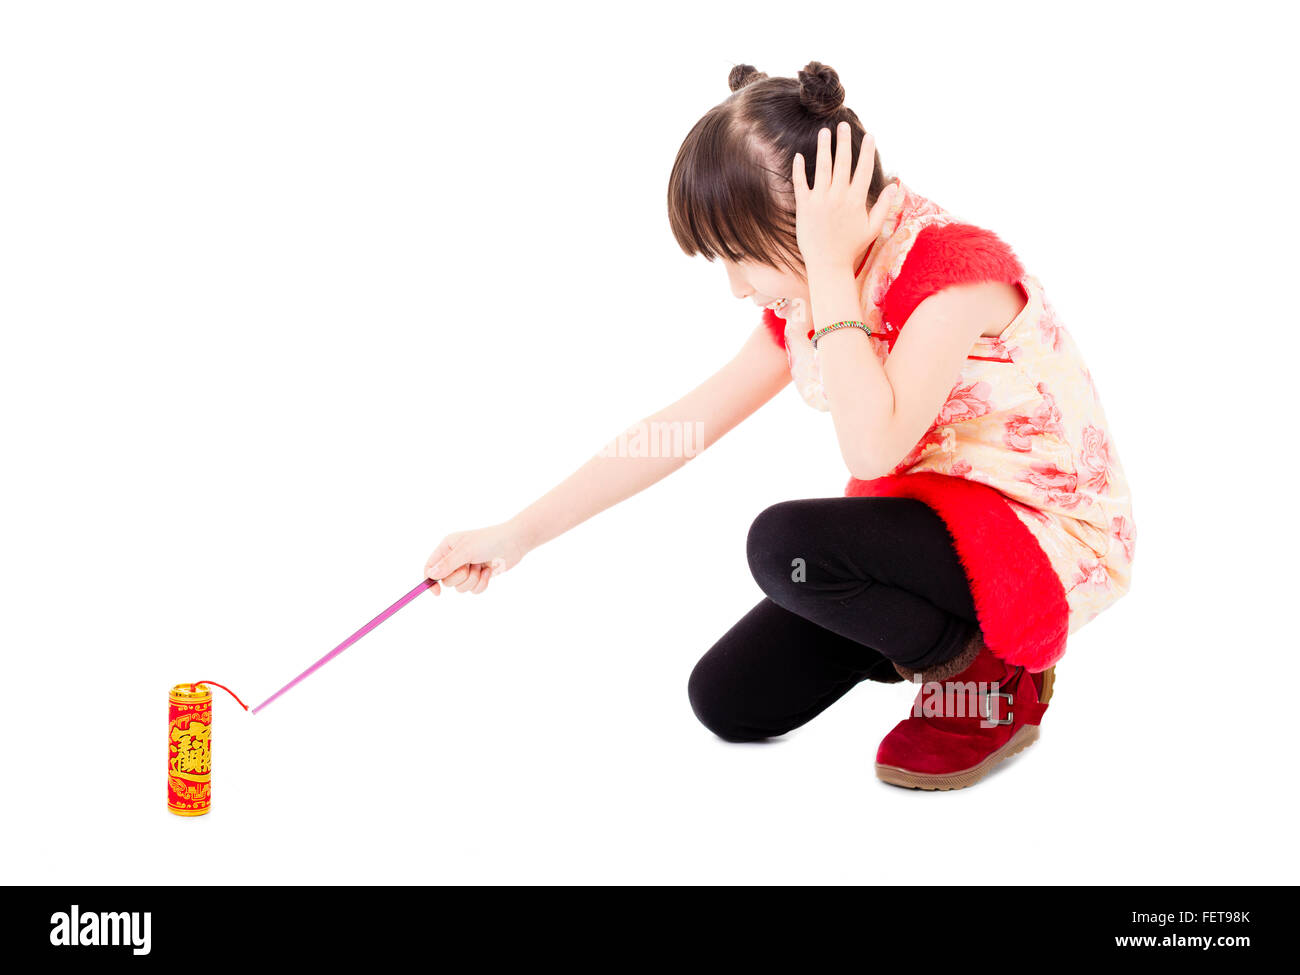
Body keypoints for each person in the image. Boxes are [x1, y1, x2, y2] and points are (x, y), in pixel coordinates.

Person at [422, 61, 1136, 791]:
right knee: (728, 699)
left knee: (783, 546)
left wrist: (826, 266)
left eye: (743, 255)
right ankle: (926, 632)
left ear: (818, 220)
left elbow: (872, 444)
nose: (735, 285)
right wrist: (517, 534)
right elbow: (678, 428)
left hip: (1039, 539)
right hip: (930, 533)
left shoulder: (952, 278)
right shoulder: (806, 298)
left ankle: (993, 677)